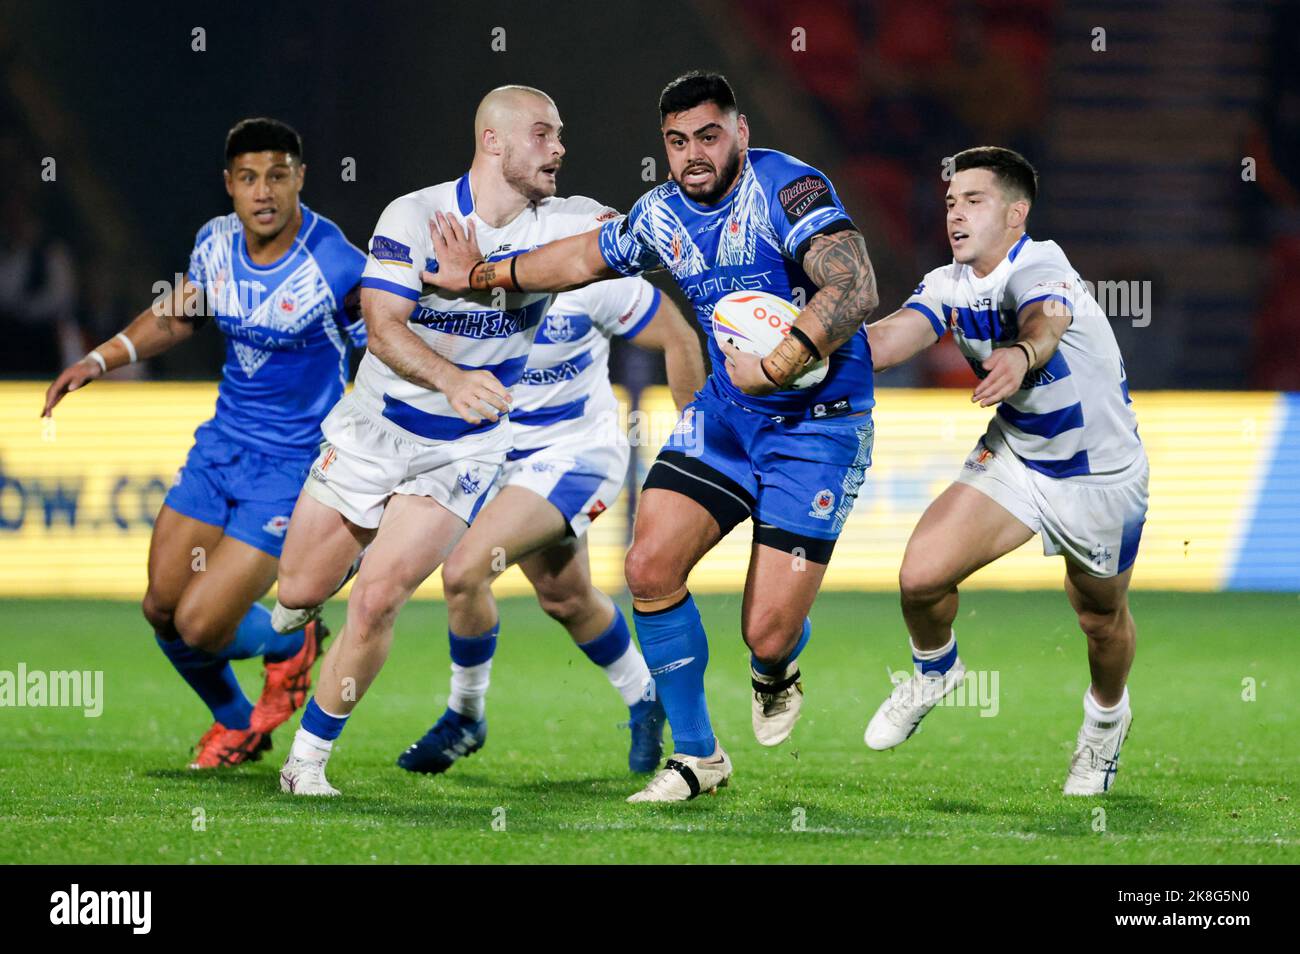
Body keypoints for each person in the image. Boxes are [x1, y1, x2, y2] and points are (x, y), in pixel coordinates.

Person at [421, 71, 880, 802]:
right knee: (648, 568)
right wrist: (478, 274)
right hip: (728, 415)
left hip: (817, 429)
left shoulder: (787, 188)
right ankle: (698, 758)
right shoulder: (660, 214)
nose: (693, 153)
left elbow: (854, 287)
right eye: (676, 141)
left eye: (708, 135)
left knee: (765, 632)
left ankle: (776, 665)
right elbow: (578, 259)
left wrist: (780, 363)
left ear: (740, 134)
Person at [277, 85, 628, 797]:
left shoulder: (563, 221)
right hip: (374, 429)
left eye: (559, 134)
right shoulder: (414, 214)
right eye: (542, 134)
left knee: (378, 600)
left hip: (463, 451)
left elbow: (626, 243)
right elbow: (382, 326)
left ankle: (306, 761)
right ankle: (327, 583)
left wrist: (473, 282)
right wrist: (452, 379)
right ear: (494, 142)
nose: (559, 147)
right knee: (295, 594)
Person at [41, 118, 366, 767]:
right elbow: (178, 314)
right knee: (161, 607)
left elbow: (393, 337)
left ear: (300, 177)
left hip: (292, 468)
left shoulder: (336, 263)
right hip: (221, 449)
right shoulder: (216, 244)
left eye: (278, 174)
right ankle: (240, 723)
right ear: (230, 185)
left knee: (199, 624)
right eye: (248, 178)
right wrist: (100, 361)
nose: (264, 191)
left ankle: (287, 645)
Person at [862, 146, 1147, 795]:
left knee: (1099, 616)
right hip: (1018, 450)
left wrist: (1022, 353)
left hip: (1097, 474)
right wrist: (801, 349)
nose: (956, 215)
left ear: (1016, 214)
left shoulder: (1042, 265)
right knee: (920, 578)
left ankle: (1104, 726)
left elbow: (1044, 321)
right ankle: (936, 672)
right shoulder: (947, 284)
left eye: (974, 200)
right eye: (950, 202)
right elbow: (884, 343)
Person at [397, 275, 704, 776]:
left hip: (577, 456)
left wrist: (697, 444)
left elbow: (678, 334)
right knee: (566, 596)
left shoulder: (585, 268)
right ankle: (645, 695)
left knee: (464, 573)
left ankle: (465, 715)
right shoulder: (459, 271)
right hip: (494, 455)